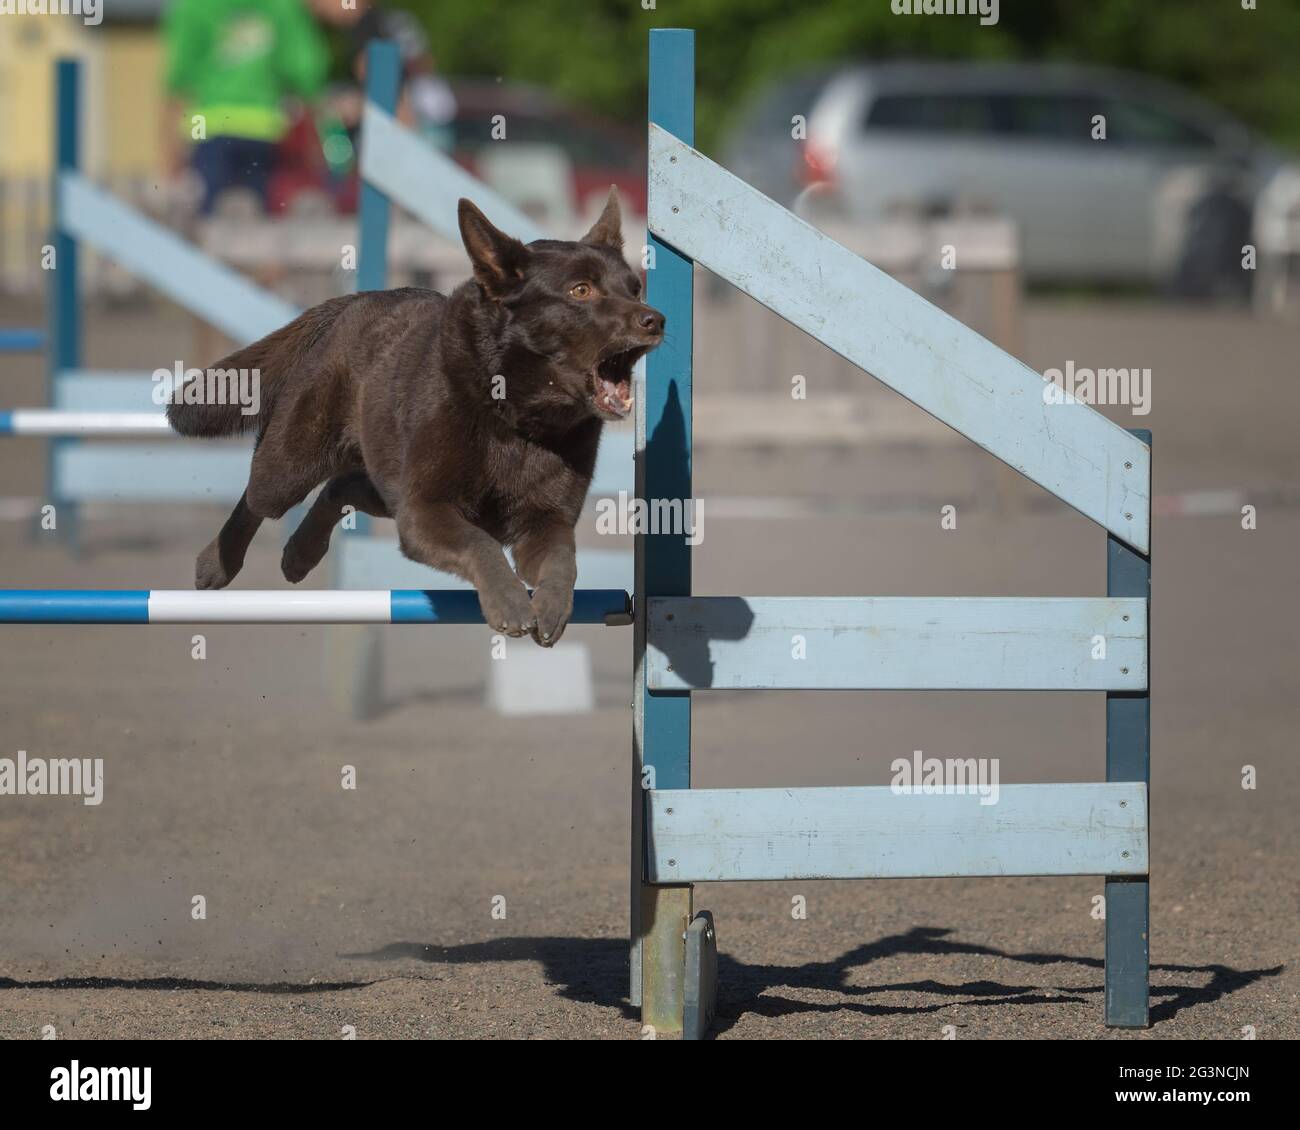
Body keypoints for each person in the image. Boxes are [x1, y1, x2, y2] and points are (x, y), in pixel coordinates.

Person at [162, 0, 330, 215]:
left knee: (207, 225)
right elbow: (307, 75)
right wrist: (316, 143)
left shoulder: (193, 6)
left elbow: (177, 80)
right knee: (261, 227)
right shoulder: (283, 7)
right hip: (263, 130)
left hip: (208, 129)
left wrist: (169, 152)